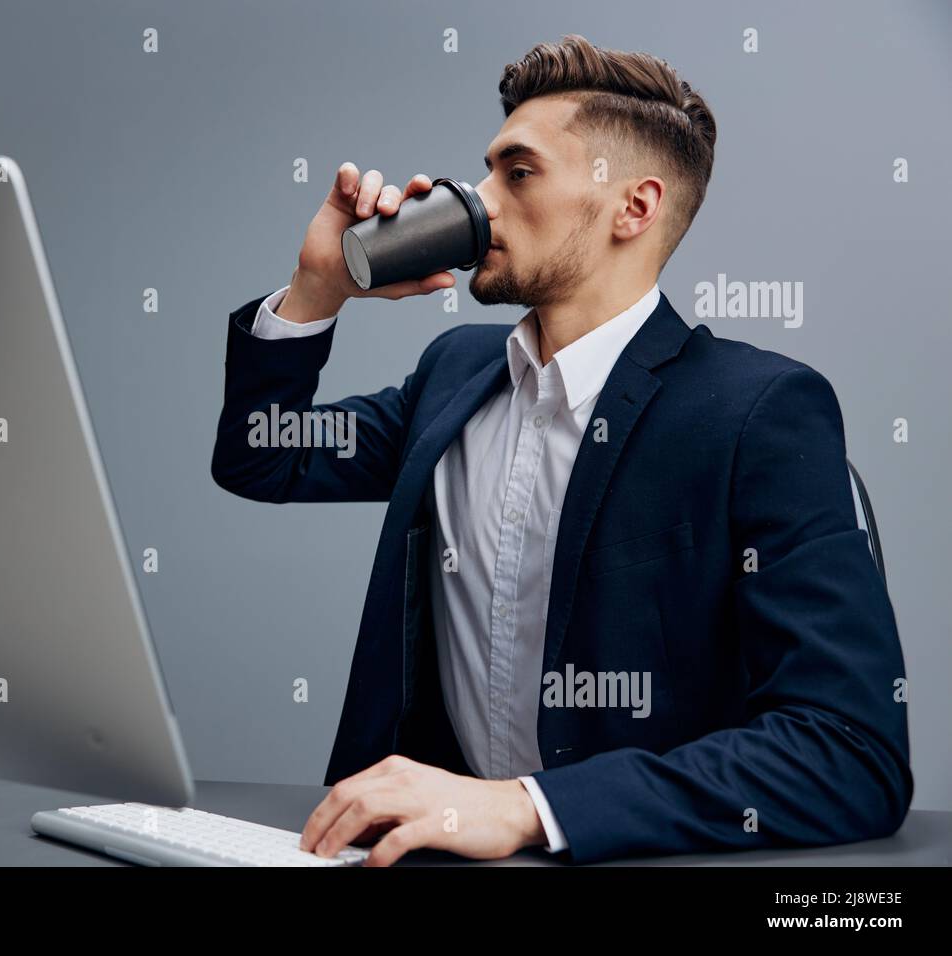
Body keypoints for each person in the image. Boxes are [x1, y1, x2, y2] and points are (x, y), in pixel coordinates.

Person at [211, 34, 911, 865]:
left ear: (634, 207)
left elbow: (850, 753)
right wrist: (318, 287)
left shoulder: (760, 412)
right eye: (487, 170)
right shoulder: (456, 372)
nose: (478, 200)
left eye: (519, 171)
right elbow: (263, 455)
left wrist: (530, 809)